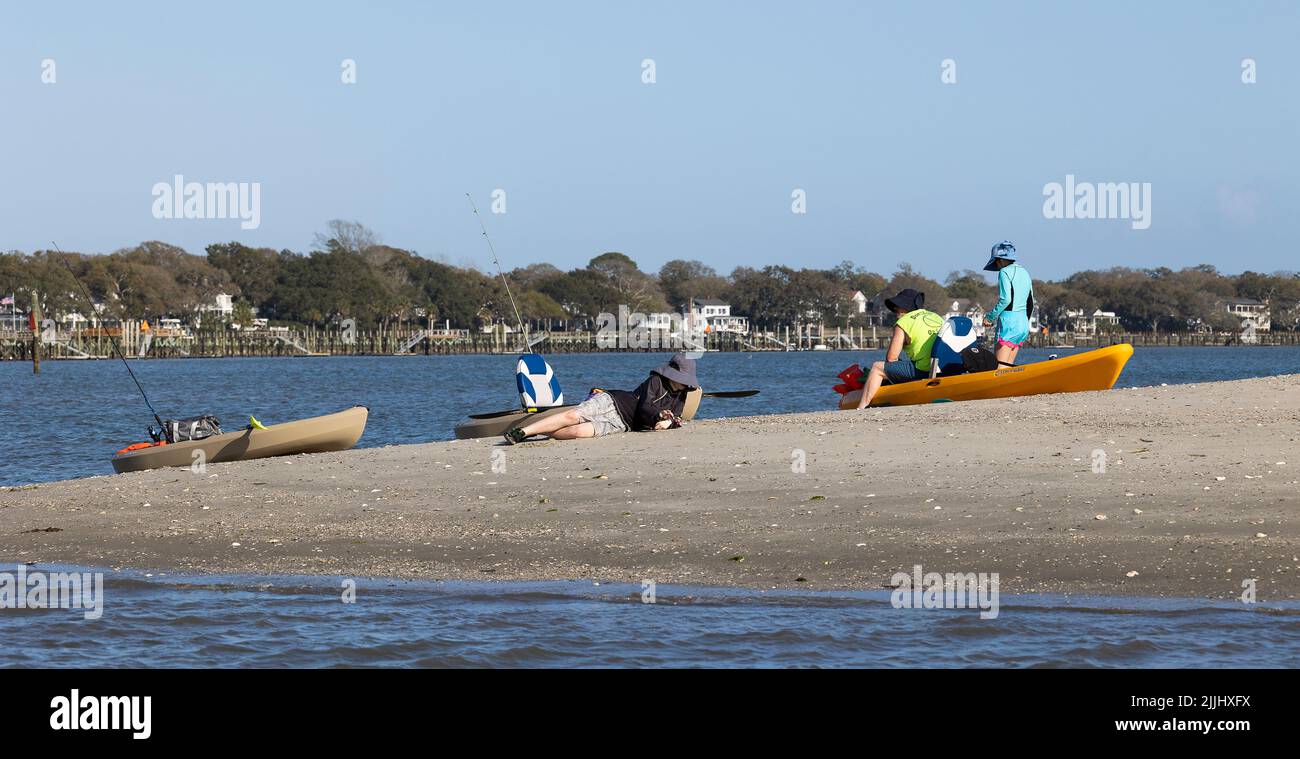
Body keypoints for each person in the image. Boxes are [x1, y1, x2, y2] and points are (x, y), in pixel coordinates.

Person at [503, 353, 699, 443]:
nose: (683, 383)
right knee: (573, 415)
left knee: (578, 432)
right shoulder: (655, 381)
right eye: (682, 379)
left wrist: (669, 423)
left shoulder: (682, 394)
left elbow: (678, 417)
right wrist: (659, 416)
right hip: (613, 403)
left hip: (622, 424)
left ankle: (542, 433)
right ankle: (523, 432)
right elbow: (644, 408)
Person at [855, 288, 943, 409]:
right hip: (943, 367)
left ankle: (861, 407)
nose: (895, 310)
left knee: (877, 367)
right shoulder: (936, 316)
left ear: (906, 306)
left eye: (898, 306)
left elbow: (891, 358)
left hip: (925, 369)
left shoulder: (903, 322)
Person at [981, 241, 1034, 368]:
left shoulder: (1004, 272)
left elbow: (1006, 300)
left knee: (999, 368)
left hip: (1008, 322)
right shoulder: (1025, 272)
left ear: (999, 260)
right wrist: (1025, 322)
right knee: (1008, 367)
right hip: (1022, 323)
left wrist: (989, 317)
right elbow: (1030, 302)